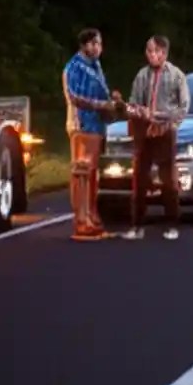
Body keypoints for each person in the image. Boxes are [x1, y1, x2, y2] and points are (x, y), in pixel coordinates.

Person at [123, 35, 190, 241]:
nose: (151, 55)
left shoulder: (176, 75)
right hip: (144, 130)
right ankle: (137, 225)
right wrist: (137, 112)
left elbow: (184, 105)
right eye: (149, 51)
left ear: (164, 53)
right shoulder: (142, 75)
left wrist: (171, 123)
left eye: (155, 51)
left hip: (164, 130)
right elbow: (133, 102)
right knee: (139, 178)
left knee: (168, 179)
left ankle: (171, 224)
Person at [62, 27, 123, 241]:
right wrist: (101, 105)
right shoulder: (75, 67)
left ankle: (92, 217)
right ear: (84, 45)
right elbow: (75, 96)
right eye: (94, 43)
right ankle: (81, 220)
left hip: (97, 126)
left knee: (93, 174)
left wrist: (112, 100)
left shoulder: (95, 66)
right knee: (82, 173)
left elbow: (101, 91)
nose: (98, 48)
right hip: (82, 124)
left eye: (99, 43)